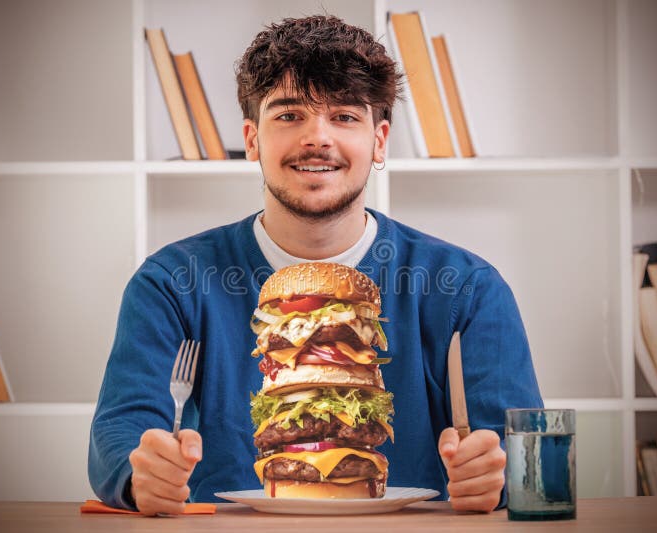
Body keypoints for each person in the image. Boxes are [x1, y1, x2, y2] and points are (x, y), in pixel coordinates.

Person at [88, 15, 542, 516]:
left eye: (345, 117)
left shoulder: (467, 290)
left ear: (380, 140)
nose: (316, 138)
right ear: (253, 139)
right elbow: (119, 432)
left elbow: (523, 458)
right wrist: (139, 475)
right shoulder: (172, 283)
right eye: (288, 116)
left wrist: (497, 478)